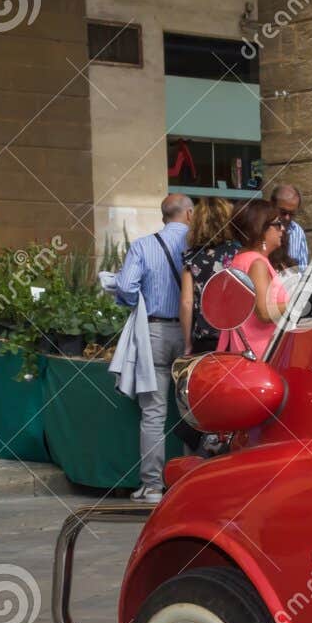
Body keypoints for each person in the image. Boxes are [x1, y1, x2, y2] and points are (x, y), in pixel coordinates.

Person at [114, 193, 192, 502]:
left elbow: (124, 286)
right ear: (188, 215)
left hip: (154, 332)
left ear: (164, 216)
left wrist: (140, 304)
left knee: (153, 413)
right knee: (193, 412)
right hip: (189, 334)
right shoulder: (199, 246)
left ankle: (152, 486)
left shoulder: (143, 245)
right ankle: (192, 480)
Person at [220, 199, 291, 358]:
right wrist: (301, 301)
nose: (282, 229)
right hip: (262, 351)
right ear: (261, 228)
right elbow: (265, 312)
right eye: (277, 224)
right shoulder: (256, 263)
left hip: (247, 349)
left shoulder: (240, 259)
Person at [179, 197, 239, 356]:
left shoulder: (192, 258)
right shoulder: (238, 254)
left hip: (205, 337)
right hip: (234, 336)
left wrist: (187, 344)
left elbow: (186, 302)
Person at [271, 183, 310, 267]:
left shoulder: (298, 232)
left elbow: (302, 269)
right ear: (272, 205)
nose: (287, 218)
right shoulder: (260, 227)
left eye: (292, 214)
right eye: (283, 212)